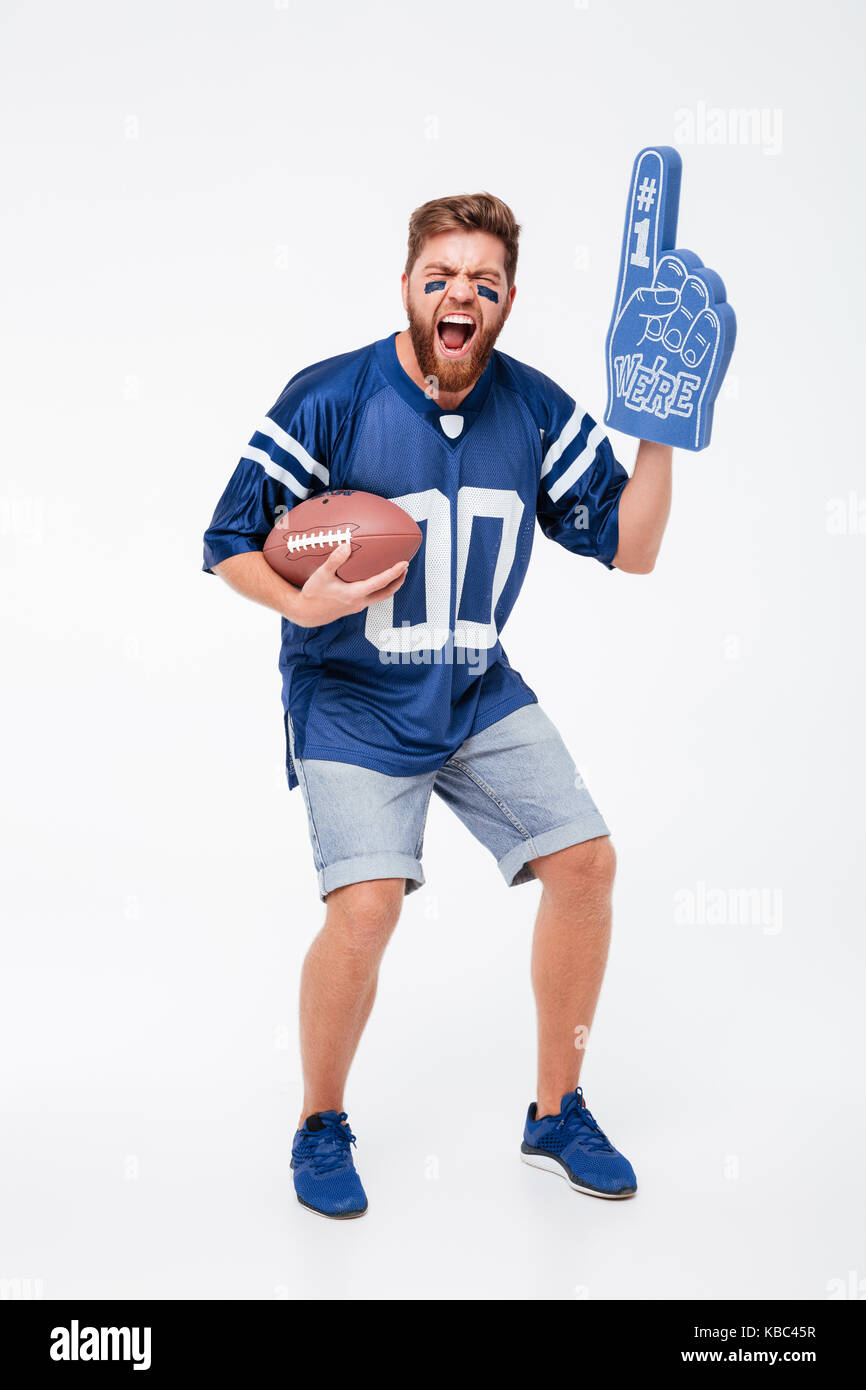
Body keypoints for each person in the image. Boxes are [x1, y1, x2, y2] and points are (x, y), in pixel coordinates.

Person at [203, 193, 672, 1219]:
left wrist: (660, 434)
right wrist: (299, 600)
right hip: (351, 693)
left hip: (472, 682)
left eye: (484, 280)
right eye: (442, 274)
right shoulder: (331, 395)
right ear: (409, 286)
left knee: (584, 865)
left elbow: (631, 549)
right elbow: (227, 541)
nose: (462, 291)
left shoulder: (534, 407)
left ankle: (556, 1110)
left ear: (506, 300)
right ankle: (318, 1121)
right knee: (365, 908)